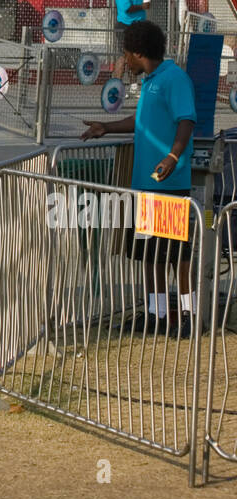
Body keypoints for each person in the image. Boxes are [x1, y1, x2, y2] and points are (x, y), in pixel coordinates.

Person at [83, 20, 196, 338]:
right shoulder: (150, 81)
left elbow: (185, 120)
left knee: (177, 256)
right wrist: (107, 127)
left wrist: (173, 156)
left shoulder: (174, 78)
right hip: (145, 184)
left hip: (168, 184)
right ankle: (156, 315)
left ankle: (189, 314)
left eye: (125, 55)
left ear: (137, 52)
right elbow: (142, 119)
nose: (124, 61)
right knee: (150, 255)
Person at [113, 0, 150, 82]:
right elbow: (126, 8)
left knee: (133, 56)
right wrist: (142, 6)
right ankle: (117, 83)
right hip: (126, 26)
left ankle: (133, 84)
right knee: (125, 56)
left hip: (134, 27)